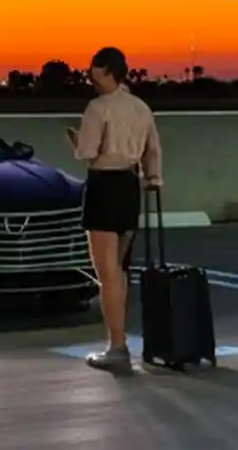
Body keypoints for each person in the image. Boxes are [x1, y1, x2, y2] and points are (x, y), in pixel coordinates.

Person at [66, 46, 162, 370]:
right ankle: (119, 342)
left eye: (95, 71)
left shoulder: (98, 108)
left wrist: (76, 143)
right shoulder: (140, 107)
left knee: (105, 272)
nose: (91, 76)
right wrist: (153, 178)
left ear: (107, 72)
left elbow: (88, 152)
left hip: (104, 186)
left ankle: (117, 347)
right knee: (119, 269)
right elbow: (153, 150)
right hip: (130, 186)